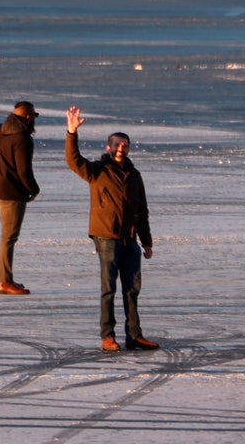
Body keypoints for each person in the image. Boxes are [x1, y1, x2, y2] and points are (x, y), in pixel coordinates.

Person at [65, 105, 159, 352]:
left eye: (125, 145)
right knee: (109, 289)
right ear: (108, 147)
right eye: (117, 144)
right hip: (106, 236)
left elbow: (142, 211)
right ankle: (108, 336)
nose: (121, 148)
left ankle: (134, 336)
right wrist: (72, 132)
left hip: (130, 240)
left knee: (132, 290)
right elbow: (73, 161)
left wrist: (146, 241)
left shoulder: (135, 175)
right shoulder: (98, 171)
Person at [0, 101, 41, 295]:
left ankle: (7, 279)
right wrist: (34, 189)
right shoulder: (22, 138)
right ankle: (4, 282)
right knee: (8, 237)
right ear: (29, 118)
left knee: (7, 236)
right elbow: (23, 170)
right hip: (12, 195)